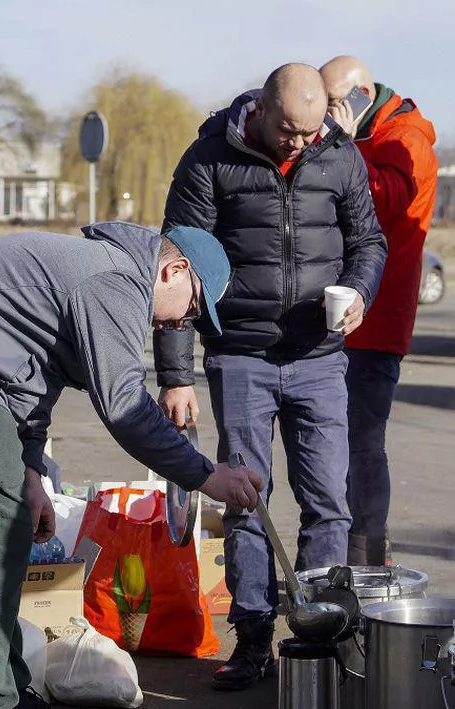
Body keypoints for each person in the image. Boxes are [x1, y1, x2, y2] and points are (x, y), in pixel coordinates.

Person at [0, 222, 264, 709]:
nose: (179, 325)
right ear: (174, 269)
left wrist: (30, 472)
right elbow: (124, 406)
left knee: (6, 532)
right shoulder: (114, 280)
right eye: (193, 310)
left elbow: (33, 380)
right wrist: (206, 475)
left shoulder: (107, 276)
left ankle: (3, 685)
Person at [155, 63, 387, 691]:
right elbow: (172, 266)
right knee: (245, 500)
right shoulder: (209, 158)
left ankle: (321, 637)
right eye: (288, 129)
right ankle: (253, 639)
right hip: (241, 356)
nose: (299, 143)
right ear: (258, 107)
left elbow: (369, 242)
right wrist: (175, 375)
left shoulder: (338, 157)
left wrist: (361, 291)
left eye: (310, 133)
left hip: (319, 359)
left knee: (328, 506)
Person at [319, 56, 439, 565]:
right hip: (348, 315)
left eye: (332, 103)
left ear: (361, 95)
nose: (324, 115)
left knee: (363, 445)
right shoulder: (371, 134)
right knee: (333, 443)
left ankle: (367, 558)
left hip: (377, 319)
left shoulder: (406, 138)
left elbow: (383, 200)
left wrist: (341, 149)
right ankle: (342, 554)